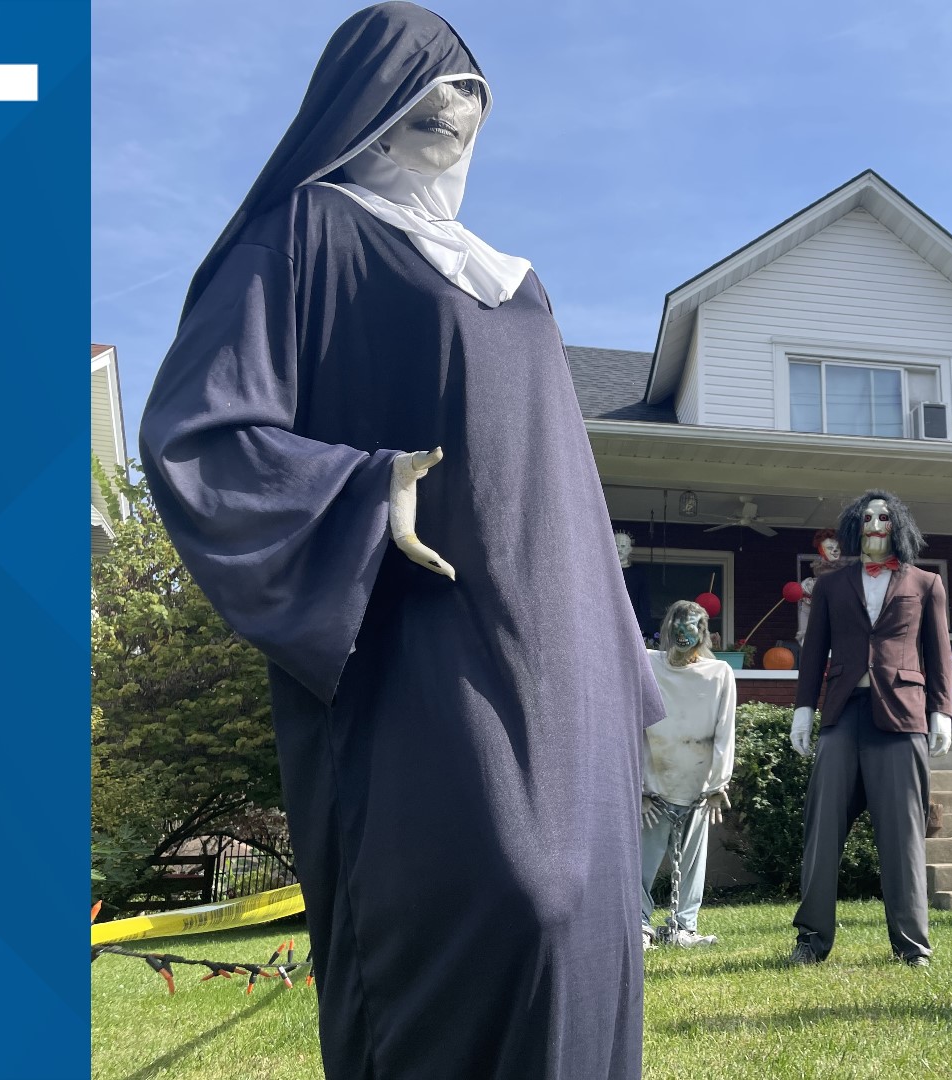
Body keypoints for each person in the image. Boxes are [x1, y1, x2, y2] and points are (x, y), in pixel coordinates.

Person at [137, 5, 665, 1075]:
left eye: (473, 90)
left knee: (591, 932)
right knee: (515, 905)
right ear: (366, 101)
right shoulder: (306, 232)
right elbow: (200, 433)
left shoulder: (516, 279)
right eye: (430, 85)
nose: (459, 103)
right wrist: (363, 492)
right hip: (420, 652)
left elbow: (565, 480)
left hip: (566, 666)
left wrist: (622, 664)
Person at [788, 490, 952, 967]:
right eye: (866, 518)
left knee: (903, 834)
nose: (875, 524)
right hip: (842, 713)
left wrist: (941, 711)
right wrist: (804, 709)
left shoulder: (926, 584)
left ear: (896, 524)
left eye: (884, 517)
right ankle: (810, 940)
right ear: (853, 527)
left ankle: (912, 946)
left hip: (903, 716)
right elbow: (814, 651)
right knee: (822, 831)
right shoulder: (833, 586)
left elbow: (939, 653)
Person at [638, 600, 737, 949]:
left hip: (696, 789)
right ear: (666, 628)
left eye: (693, 625)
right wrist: (640, 785)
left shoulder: (719, 674)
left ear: (703, 632)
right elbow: (632, 725)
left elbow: (725, 730)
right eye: (678, 624)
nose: (684, 632)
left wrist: (717, 784)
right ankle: (639, 927)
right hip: (654, 790)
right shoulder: (646, 666)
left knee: (693, 863)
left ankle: (683, 927)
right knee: (642, 863)